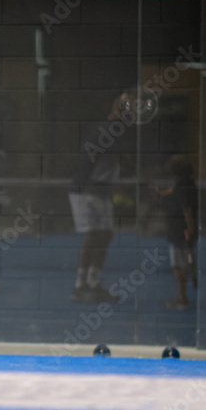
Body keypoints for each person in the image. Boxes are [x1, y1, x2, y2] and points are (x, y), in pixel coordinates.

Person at [68, 91, 136, 304]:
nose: (132, 111)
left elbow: (120, 162)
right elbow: (121, 160)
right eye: (129, 107)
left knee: (105, 235)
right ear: (119, 109)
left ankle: (93, 284)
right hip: (86, 190)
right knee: (93, 235)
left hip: (103, 191)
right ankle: (80, 286)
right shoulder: (106, 130)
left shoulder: (117, 132)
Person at [155, 155, 199, 310]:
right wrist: (160, 191)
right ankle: (182, 295)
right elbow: (172, 192)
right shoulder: (188, 184)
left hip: (180, 232)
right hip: (185, 232)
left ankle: (182, 298)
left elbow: (186, 209)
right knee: (184, 263)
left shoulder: (181, 188)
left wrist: (190, 229)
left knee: (178, 265)